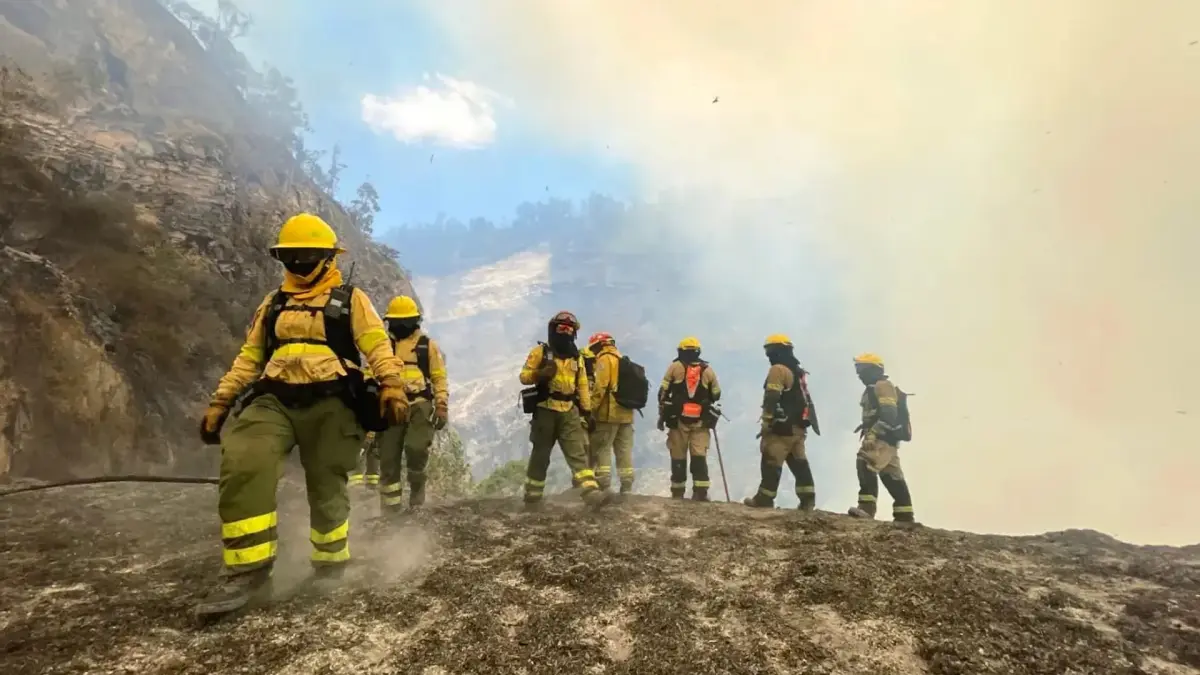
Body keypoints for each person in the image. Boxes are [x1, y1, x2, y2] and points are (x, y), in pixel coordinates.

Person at [195, 212, 409, 617]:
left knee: (326, 477)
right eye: (293, 255)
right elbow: (250, 357)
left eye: (309, 253)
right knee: (244, 459)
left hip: (332, 401)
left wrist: (391, 386)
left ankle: (330, 564)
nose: (301, 262)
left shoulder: (350, 300)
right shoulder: (274, 304)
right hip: (275, 398)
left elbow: (377, 345)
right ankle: (248, 574)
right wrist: (221, 402)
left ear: (329, 258)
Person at [518, 311, 610, 509]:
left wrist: (587, 412)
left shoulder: (576, 358)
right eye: (562, 328)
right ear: (553, 329)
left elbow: (583, 386)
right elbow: (524, 376)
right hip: (545, 410)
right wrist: (539, 374)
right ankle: (532, 497)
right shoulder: (540, 352)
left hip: (569, 411)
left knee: (577, 453)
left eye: (570, 329)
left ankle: (590, 492)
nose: (566, 332)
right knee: (541, 454)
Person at [376, 295, 449, 512]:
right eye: (395, 322)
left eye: (403, 321)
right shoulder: (384, 347)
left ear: (414, 321)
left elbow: (438, 377)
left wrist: (442, 405)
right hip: (390, 406)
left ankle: (417, 499)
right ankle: (390, 510)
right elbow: (372, 374)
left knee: (416, 448)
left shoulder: (427, 347)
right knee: (388, 458)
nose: (399, 326)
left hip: (420, 405)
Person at [743, 334, 819, 510]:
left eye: (769, 350)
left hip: (782, 428)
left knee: (771, 460)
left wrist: (767, 420)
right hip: (798, 427)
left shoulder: (778, 369)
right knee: (798, 462)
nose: (768, 355)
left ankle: (765, 498)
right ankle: (808, 499)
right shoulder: (796, 370)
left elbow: (772, 396)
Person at [847, 353, 915, 523]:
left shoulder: (882, 386)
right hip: (889, 440)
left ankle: (866, 508)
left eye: (861, 369)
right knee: (891, 475)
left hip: (882, 438)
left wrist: (873, 433)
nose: (859, 374)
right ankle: (905, 514)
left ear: (872, 369)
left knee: (865, 461)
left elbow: (889, 414)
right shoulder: (874, 387)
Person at [657, 337, 721, 501]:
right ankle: (700, 493)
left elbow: (663, 392)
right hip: (700, 423)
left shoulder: (675, 367)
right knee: (699, 455)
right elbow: (716, 394)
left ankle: (678, 493)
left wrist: (662, 415)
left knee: (678, 456)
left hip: (678, 421)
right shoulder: (708, 370)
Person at [586, 332, 636, 494]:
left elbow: (600, 387)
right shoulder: (623, 359)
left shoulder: (604, 359)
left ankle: (604, 484)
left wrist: (590, 409)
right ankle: (627, 486)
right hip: (627, 414)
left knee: (602, 448)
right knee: (624, 450)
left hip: (608, 415)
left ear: (599, 345)